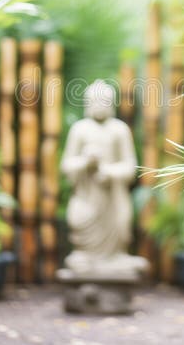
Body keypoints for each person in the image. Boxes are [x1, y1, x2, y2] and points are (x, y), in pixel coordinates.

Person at [60, 80, 148, 277]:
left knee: (120, 224)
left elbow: (130, 167)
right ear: (87, 104)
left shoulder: (120, 129)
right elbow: (66, 165)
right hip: (87, 195)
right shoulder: (79, 129)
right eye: (95, 101)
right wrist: (86, 162)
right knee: (79, 220)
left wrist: (108, 172)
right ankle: (85, 256)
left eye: (105, 101)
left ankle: (116, 256)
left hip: (113, 196)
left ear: (112, 104)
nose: (100, 105)